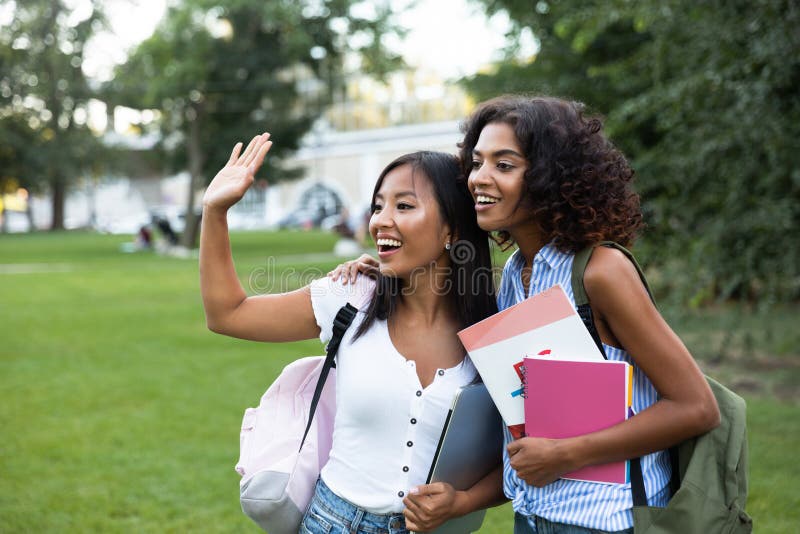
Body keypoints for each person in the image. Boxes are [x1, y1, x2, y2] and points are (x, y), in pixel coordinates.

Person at [330, 95, 721, 533]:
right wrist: (381, 272)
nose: (479, 178)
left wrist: (568, 454)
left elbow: (696, 407)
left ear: (551, 177)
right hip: (533, 518)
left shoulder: (600, 272)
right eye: (477, 162)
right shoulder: (516, 275)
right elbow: (524, 429)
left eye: (504, 164)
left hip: (609, 522)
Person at [199, 132, 505, 533]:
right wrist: (215, 212)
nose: (380, 220)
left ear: (452, 230)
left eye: (404, 205)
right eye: (378, 206)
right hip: (331, 522)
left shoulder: (495, 329)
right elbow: (228, 314)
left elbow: (526, 455)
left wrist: (463, 501)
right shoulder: (352, 297)